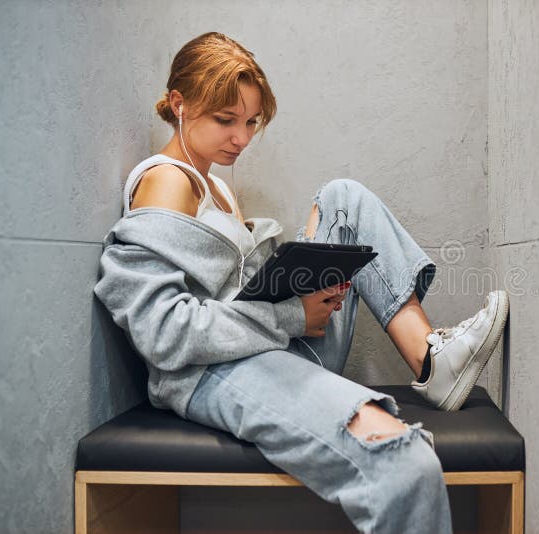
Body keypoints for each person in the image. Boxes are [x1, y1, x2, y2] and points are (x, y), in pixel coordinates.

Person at [94, 31, 509, 534]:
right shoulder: (166, 181)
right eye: (225, 120)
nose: (241, 138)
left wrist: (302, 289)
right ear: (179, 104)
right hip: (211, 372)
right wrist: (293, 314)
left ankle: (429, 358)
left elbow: (235, 294)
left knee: (342, 199)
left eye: (250, 122)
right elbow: (162, 332)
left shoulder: (217, 187)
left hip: (271, 347)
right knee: (405, 466)